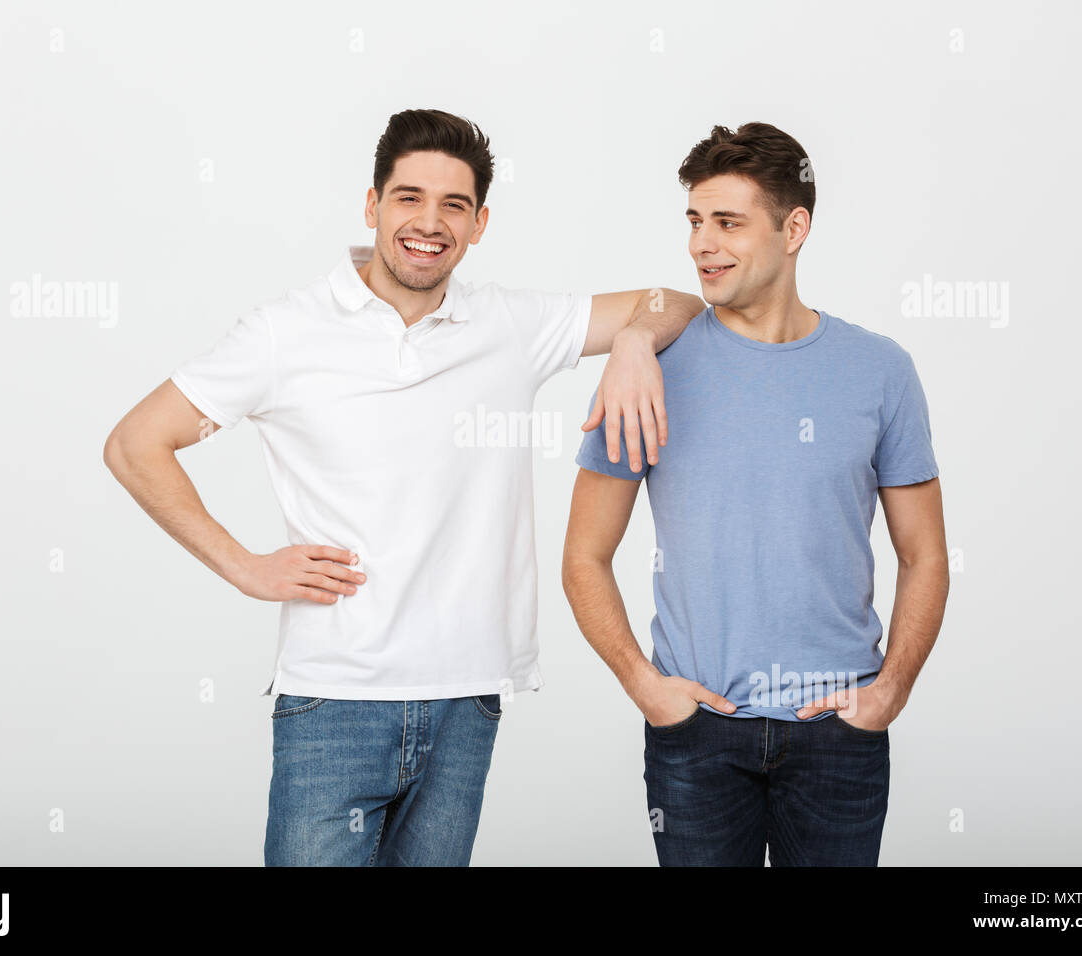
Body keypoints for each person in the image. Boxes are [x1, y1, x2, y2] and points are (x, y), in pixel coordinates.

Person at [102, 108, 705, 866]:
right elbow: (135, 444)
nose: (429, 222)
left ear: (480, 222)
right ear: (372, 206)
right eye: (409, 197)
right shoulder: (287, 332)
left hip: (468, 696)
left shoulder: (510, 324)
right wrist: (244, 566)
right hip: (334, 699)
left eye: (454, 204)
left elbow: (673, 303)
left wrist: (633, 345)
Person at [561, 122, 950, 866]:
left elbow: (926, 554)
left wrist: (888, 692)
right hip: (697, 735)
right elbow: (584, 555)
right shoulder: (650, 368)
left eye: (729, 223)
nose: (702, 244)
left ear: (794, 227)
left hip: (839, 732)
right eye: (695, 222)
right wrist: (648, 688)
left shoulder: (879, 371)